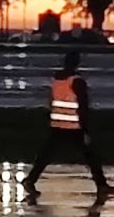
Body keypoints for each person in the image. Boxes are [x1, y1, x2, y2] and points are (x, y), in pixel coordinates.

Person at [27, 50, 111, 201]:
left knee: (46, 155)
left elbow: (51, 101)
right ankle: (102, 185)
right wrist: (85, 128)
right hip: (73, 126)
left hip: (57, 124)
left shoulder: (57, 80)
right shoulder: (77, 81)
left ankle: (30, 180)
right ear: (77, 63)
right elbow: (83, 106)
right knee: (90, 155)